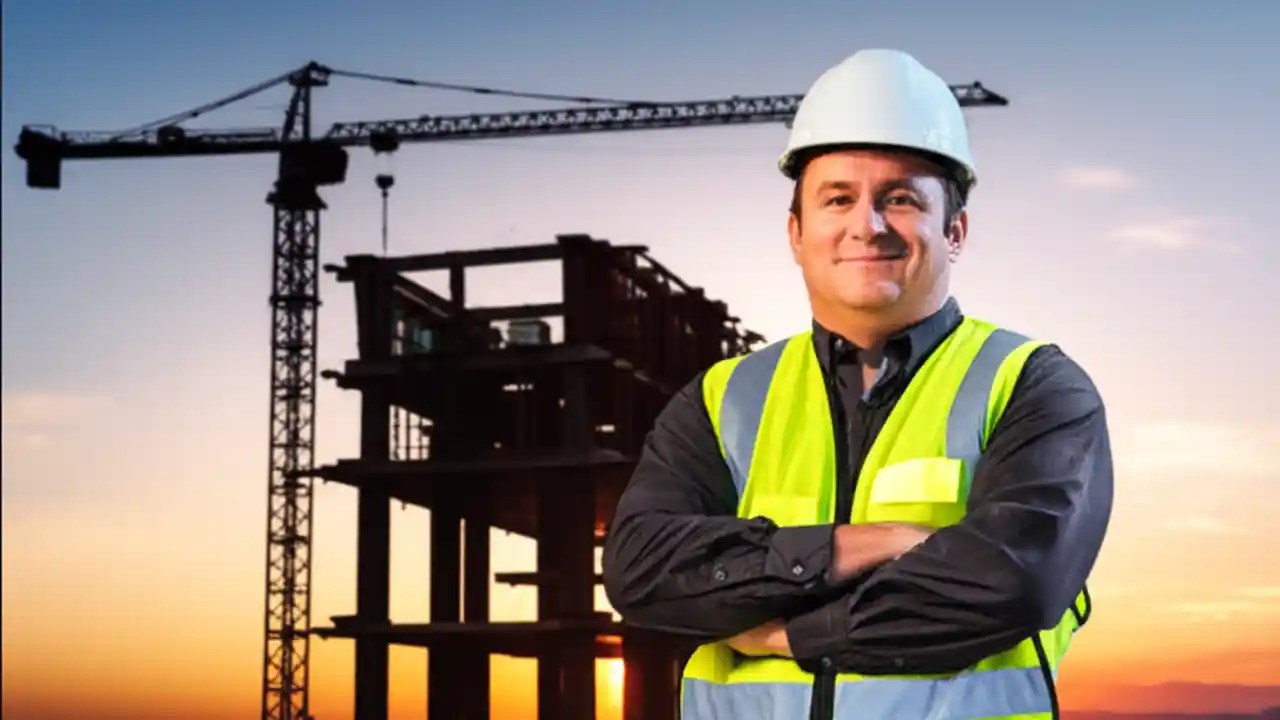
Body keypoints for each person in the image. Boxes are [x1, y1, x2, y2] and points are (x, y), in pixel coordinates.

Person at [601, 48, 1113, 720]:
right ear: (796, 232)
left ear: (954, 231)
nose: (866, 225)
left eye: (899, 199)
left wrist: (793, 636)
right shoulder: (721, 400)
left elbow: (1015, 581)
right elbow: (641, 570)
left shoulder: (1033, 386)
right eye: (838, 198)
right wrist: (863, 545)